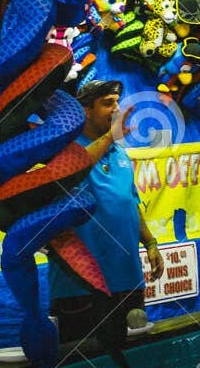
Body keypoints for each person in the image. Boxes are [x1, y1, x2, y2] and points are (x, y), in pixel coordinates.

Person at [50, 81, 163, 353]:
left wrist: (150, 242)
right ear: (85, 110)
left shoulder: (121, 154)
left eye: (117, 102)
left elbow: (130, 201)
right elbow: (75, 168)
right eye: (107, 103)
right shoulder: (63, 148)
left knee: (132, 363)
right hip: (80, 287)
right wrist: (111, 137)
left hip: (127, 281)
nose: (116, 109)